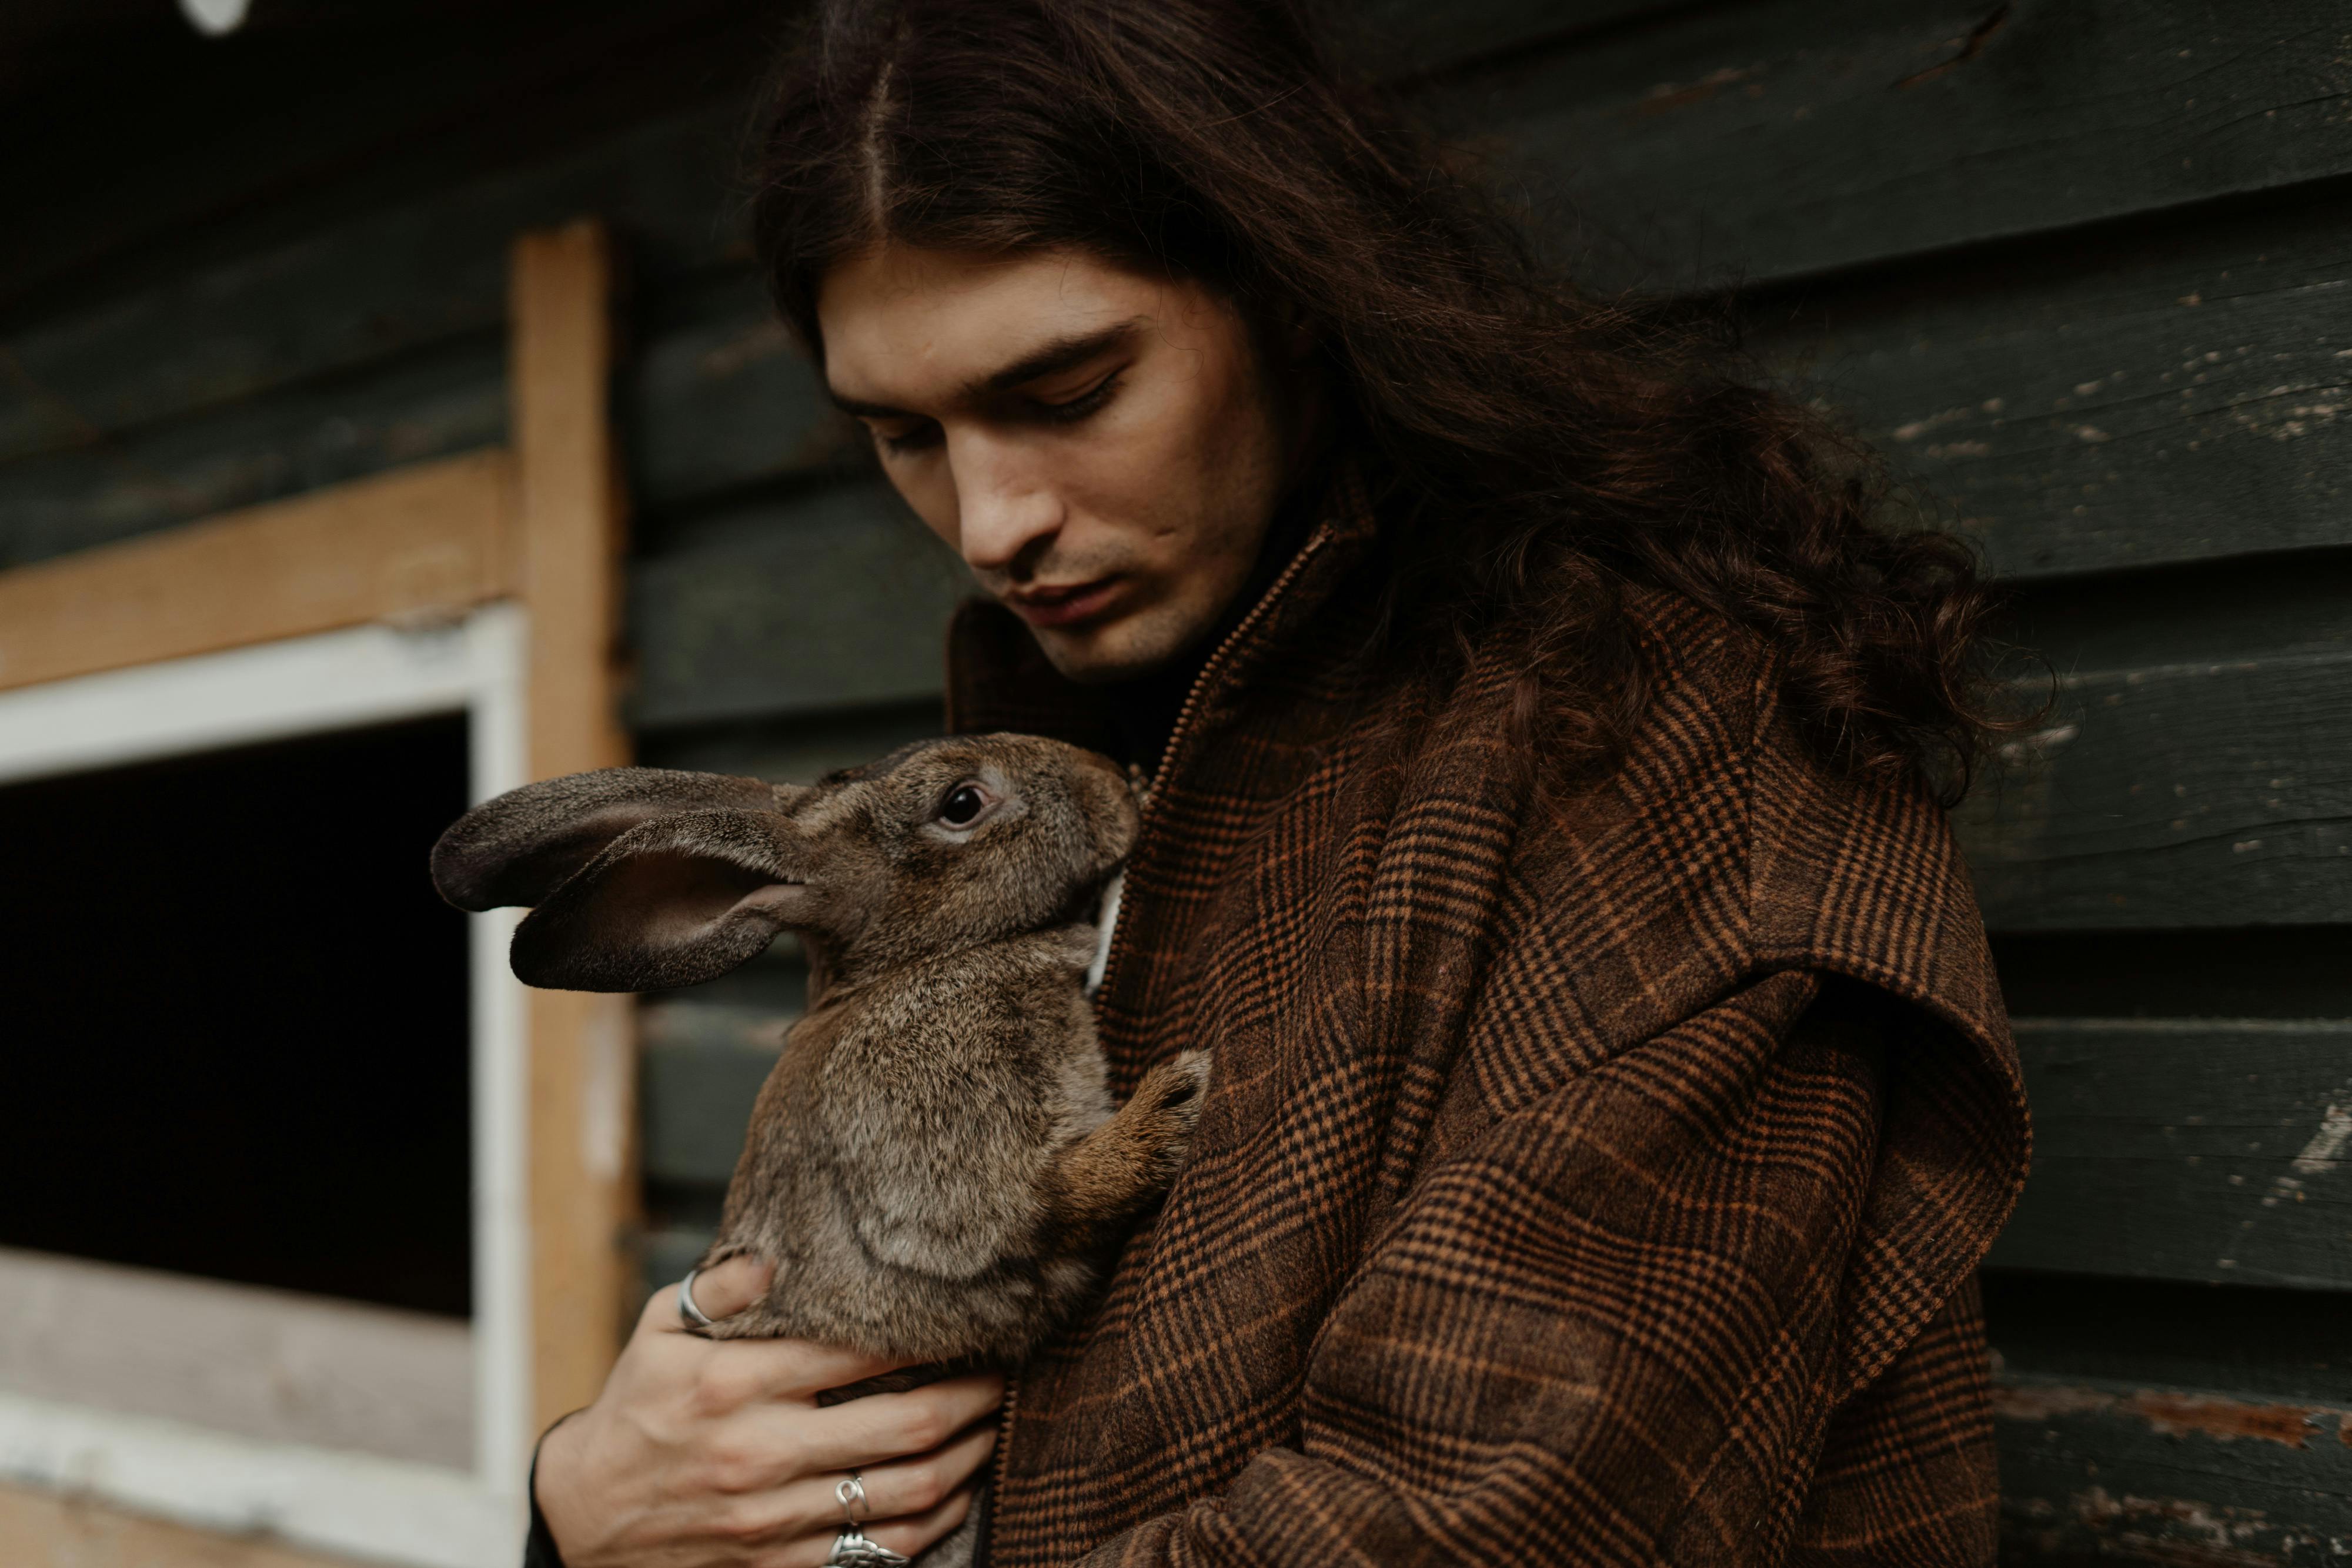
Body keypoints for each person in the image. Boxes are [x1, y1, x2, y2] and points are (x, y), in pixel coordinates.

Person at [528, 0, 2031, 1563]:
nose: (989, 524)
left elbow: (1498, 1520)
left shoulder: (1647, 737)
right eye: (903, 433)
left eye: (1065, 392)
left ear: (1291, 290)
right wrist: (591, 1503)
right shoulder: (1095, 767)